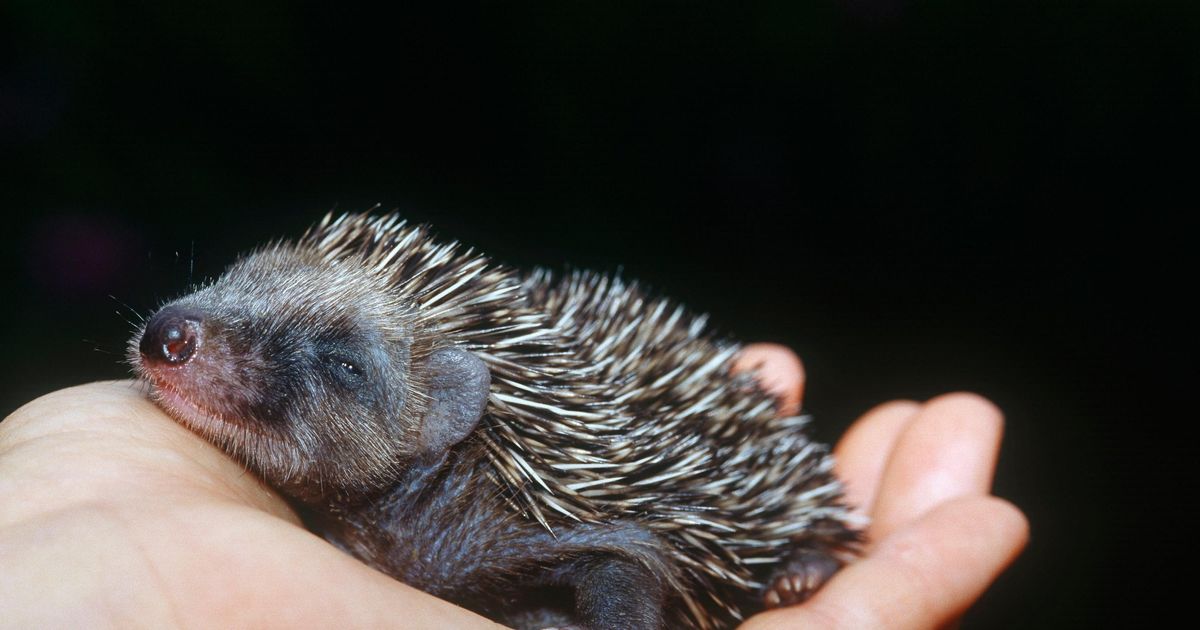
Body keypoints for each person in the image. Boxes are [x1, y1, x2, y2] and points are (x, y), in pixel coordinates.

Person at [0, 345, 1026, 628]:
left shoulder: (472, 527)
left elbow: (622, 552)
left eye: (344, 367)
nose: (182, 330)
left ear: (437, 420)